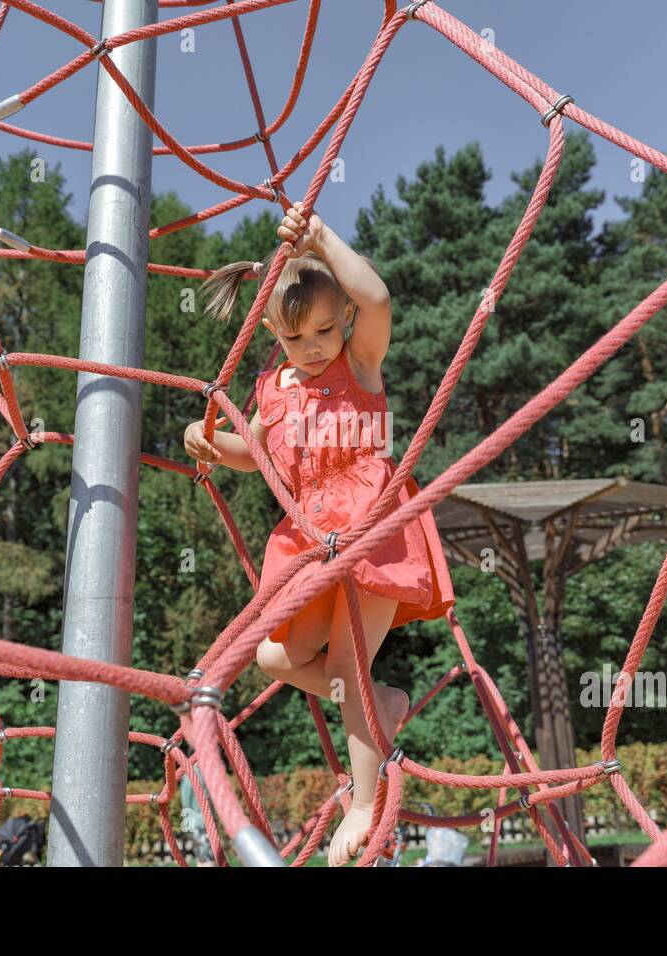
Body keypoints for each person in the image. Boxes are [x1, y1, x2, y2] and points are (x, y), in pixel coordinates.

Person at [184, 201, 455, 866]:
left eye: (327, 329)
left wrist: (323, 239)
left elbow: (379, 297)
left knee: (344, 666)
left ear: (344, 323)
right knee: (274, 657)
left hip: (369, 525)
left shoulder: (359, 364)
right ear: (273, 331)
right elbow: (268, 455)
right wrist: (217, 443)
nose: (313, 347)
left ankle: (363, 805)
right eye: (296, 337)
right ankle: (384, 701)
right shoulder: (273, 386)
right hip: (306, 534)